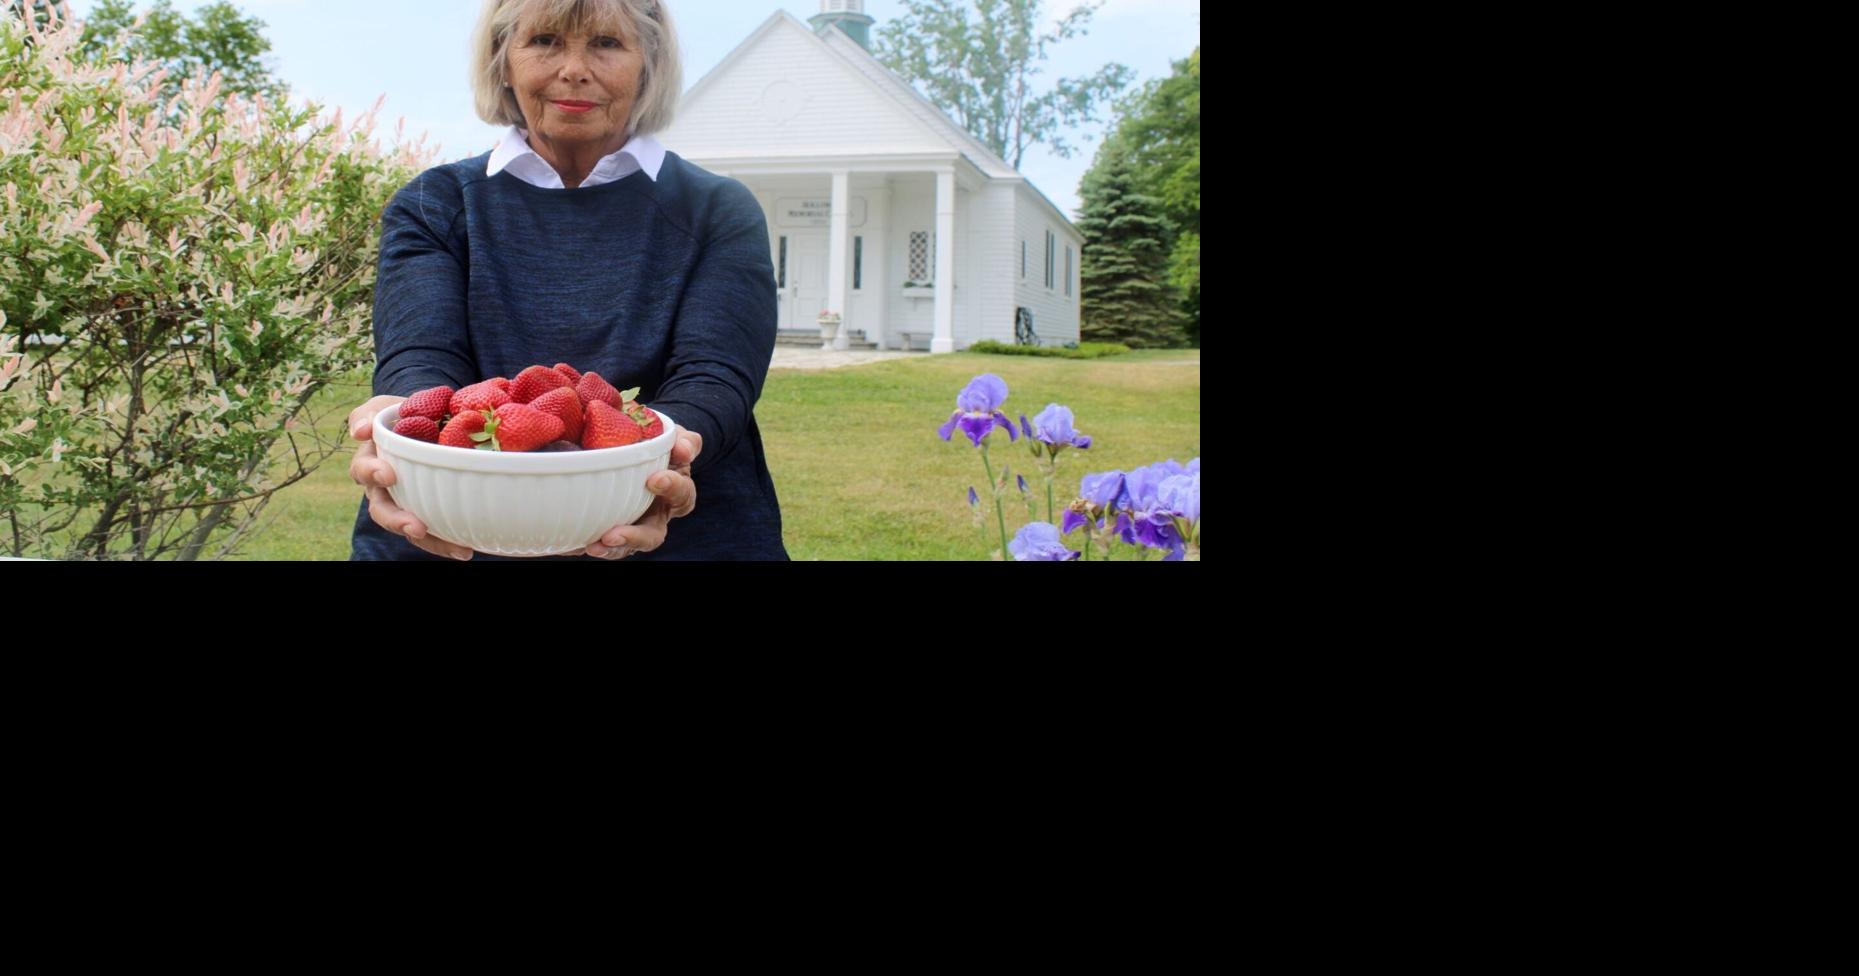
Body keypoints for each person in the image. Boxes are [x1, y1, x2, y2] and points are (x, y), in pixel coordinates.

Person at [348, 0, 787, 560]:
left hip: (677, 525)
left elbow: (714, 376)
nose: (574, 67)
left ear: (648, 63)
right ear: (503, 61)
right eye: (546, 40)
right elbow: (422, 357)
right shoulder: (436, 204)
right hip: (449, 515)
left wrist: (657, 461)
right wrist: (403, 440)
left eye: (606, 43)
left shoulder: (717, 209)